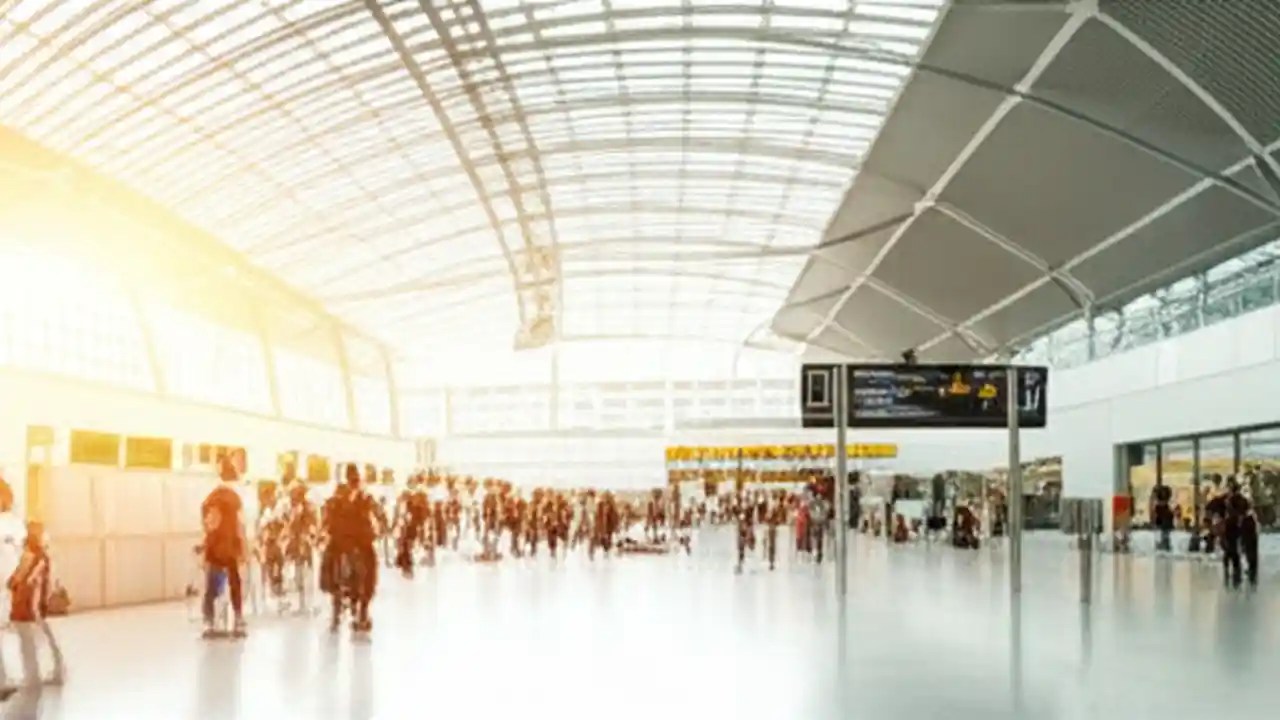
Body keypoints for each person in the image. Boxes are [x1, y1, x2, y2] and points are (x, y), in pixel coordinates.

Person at [320, 465, 382, 632]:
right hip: (350, 541)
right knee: (363, 572)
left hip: (350, 541)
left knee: (360, 572)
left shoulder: (355, 496)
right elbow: (377, 513)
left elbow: (326, 519)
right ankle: (355, 611)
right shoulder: (354, 496)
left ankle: (350, 611)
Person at [8, 520, 64, 688]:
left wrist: (13, 583)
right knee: (44, 639)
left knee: (29, 643)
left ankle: (35, 676)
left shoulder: (31, 555)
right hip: (36, 604)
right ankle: (54, 671)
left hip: (28, 604)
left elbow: (20, 579)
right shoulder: (42, 556)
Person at [200, 457, 247, 638]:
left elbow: (209, 523)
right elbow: (240, 525)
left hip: (215, 545)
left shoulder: (212, 497)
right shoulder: (235, 498)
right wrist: (244, 547)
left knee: (211, 586)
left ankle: (209, 622)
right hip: (231, 546)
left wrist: (205, 544)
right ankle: (238, 619)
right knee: (235, 583)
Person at [1221, 478, 1258, 588]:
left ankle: (1234, 575)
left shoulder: (1231, 501)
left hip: (1237, 528)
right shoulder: (1239, 501)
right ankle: (1245, 574)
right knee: (1242, 552)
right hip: (1241, 528)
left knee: (1232, 552)